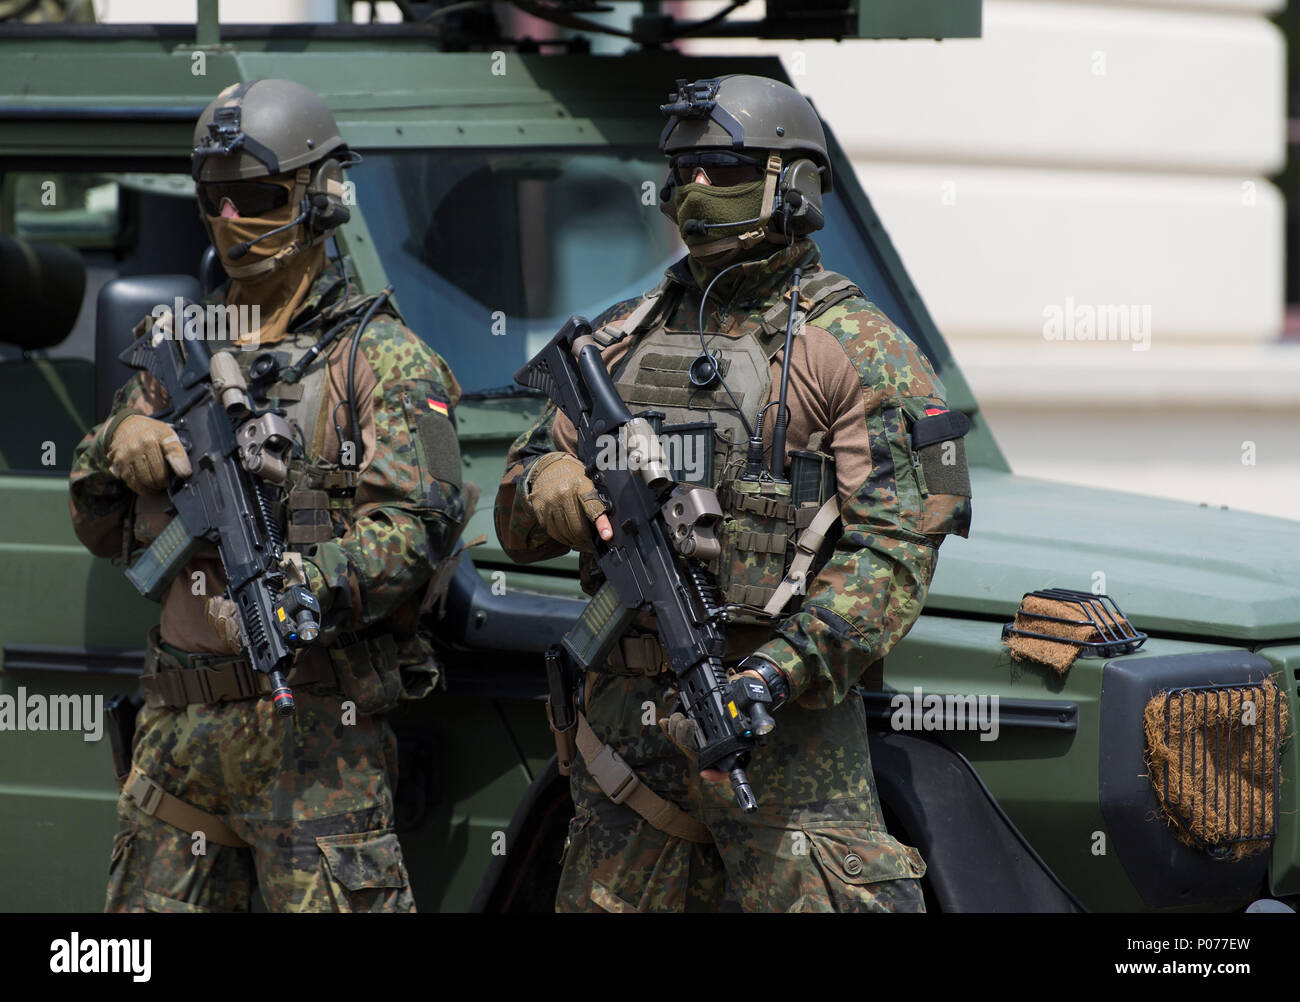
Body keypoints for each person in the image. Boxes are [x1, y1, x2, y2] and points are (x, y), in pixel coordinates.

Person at [496, 74, 972, 912]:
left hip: (783, 748)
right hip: (623, 759)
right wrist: (552, 486)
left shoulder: (856, 348)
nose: (695, 187)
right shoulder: (618, 339)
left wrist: (773, 676)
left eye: (722, 166)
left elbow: (894, 554)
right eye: (684, 169)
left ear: (790, 180)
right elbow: (515, 506)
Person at [69, 78, 466, 912]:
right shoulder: (176, 348)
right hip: (177, 738)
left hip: (316, 740)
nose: (232, 221)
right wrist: (119, 445)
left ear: (320, 198)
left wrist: (305, 587)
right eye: (216, 199)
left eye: (259, 197)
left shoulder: (388, 360)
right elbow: (98, 525)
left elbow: (420, 527)